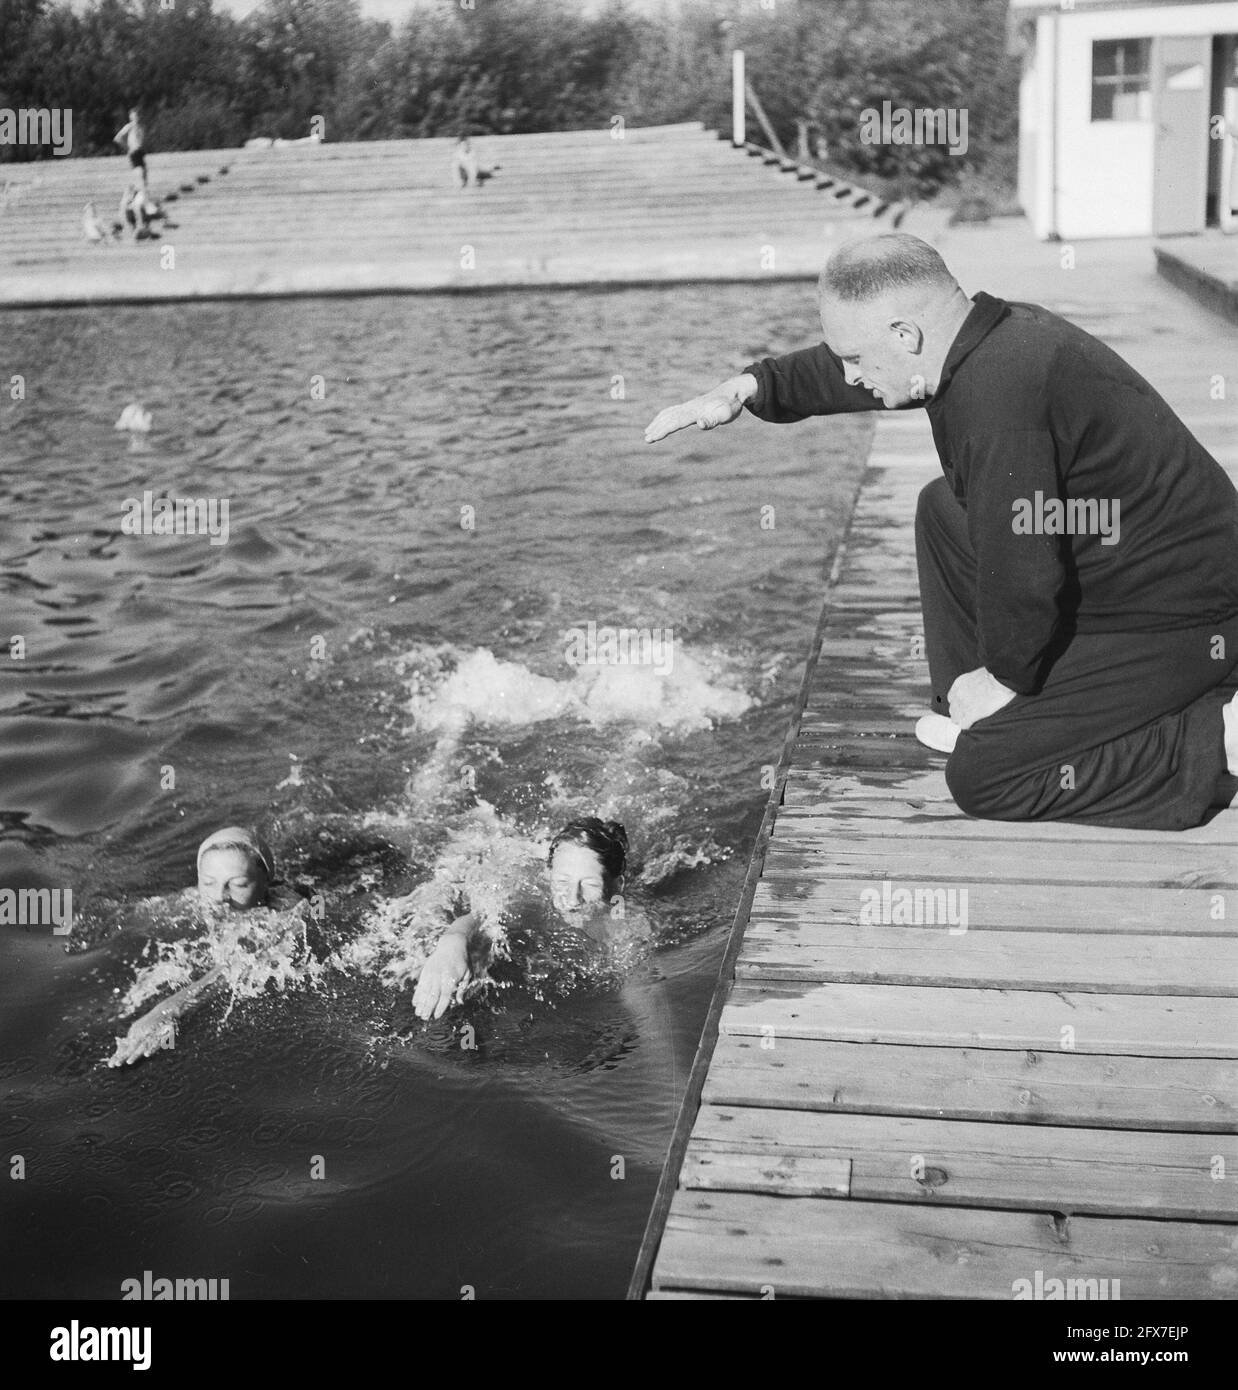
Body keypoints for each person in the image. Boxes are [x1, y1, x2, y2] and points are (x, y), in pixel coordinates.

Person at [644, 232, 1238, 832]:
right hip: (1126, 560)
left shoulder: (1000, 400)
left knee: (987, 778)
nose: (850, 376)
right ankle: (974, 709)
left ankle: (1215, 738)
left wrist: (1005, 677)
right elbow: (849, 369)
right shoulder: (989, 337)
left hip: (1182, 614)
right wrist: (750, 386)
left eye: (855, 358)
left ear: (906, 335)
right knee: (944, 508)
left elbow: (1023, 567)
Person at [107, 827, 305, 1066]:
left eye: (239, 884)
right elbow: (116, 917)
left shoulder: (288, 912)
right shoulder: (190, 900)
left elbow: (242, 964)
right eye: (209, 882)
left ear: (267, 883)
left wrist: (170, 1008)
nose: (220, 897)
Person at [412, 818, 629, 1020]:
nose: (573, 899)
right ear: (548, 875)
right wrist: (451, 942)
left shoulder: (625, 926)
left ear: (617, 885)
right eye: (562, 881)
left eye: (590, 885)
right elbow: (480, 917)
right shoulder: (531, 895)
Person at [113, 108, 148, 189]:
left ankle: (138, 193)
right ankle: (137, 192)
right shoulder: (129, 126)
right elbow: (117, 138)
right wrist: (128, 148)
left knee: (144, 174)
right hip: (133, 152)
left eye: (138, 115)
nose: (137, 117)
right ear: (131, 117)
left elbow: (141, 140)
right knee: (139, 173)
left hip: (140, 152)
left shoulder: (142, 126)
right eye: (135, 116)